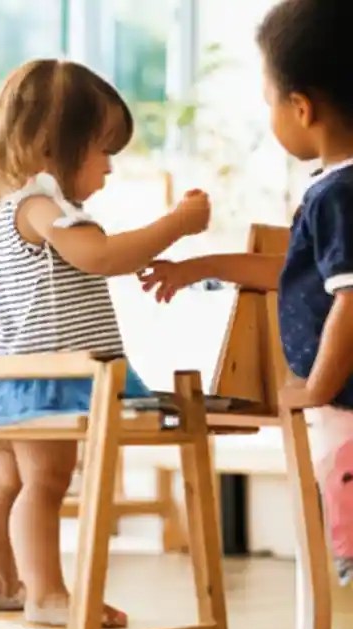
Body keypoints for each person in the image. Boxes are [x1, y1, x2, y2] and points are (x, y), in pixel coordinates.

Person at [0, 59, 211, 627]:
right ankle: (47, 593)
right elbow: (102, 257)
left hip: (5, 375)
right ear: (54, 145)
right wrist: (177, 223)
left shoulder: (13, 209)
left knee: (5, 480)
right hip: (43, 376)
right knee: (44, 482)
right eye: (103, 150)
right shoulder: (44, 207)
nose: (110, 168)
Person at [139, 0, 353, 586]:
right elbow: (296, 271)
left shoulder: (338, 195)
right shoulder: (337, 192)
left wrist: (317, 388)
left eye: (268, 103)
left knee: (347, 546)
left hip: (345, 408)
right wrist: (201, 264)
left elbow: (350, 301)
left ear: (302, 108)